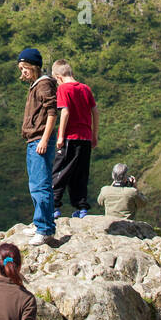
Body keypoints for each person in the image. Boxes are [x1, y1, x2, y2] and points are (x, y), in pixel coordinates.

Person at [16, 47, 57, 246]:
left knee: (41, 185)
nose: (22, 72)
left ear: (34, 66)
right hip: (33, 141)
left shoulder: (44, 85)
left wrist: (44, 139)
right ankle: (39, 221)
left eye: (25, 68)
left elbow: (52, 113)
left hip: (40, 140)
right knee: (35, 184)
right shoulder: (35, 85)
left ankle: (45, 228)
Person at [51, 59, 99, 219]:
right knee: (80, 173)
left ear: (58, 77)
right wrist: (94, 134)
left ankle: (54, 206)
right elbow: (95, 111)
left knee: (59, 171)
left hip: (70, 137)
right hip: (85, 137)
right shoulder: (85, 88)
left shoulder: (63, 89)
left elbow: (65, 112)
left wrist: (60, 136)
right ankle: (81, 207)